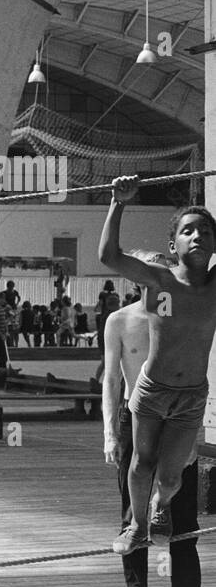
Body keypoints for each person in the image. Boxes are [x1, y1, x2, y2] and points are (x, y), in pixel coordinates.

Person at [99, 177, 216, 554]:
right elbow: (109, 257)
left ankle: (159, 505)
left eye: (206, 231)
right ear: (173, 245)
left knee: (171, 475)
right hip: (151, 390)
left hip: (191, 395)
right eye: (188, 231)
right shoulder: (158, 279)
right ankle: (136, 525)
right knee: (140, 463)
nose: (197, 236)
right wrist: (118, 203)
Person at [102, 256, 213, 587]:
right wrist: (109, 434)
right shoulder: (119, 320)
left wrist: (197, 430)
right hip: (134, 415)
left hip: (179, 417)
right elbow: (112, 380)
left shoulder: (185, 318)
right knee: (133, 510)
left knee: (183, 510)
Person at [95, 279, 120, 347]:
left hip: (105, 314)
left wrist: (96, 309)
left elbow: (100, 304)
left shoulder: (102, 294)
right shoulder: (116, 295)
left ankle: (102, 344)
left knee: (102, 330)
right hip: (114, 315)